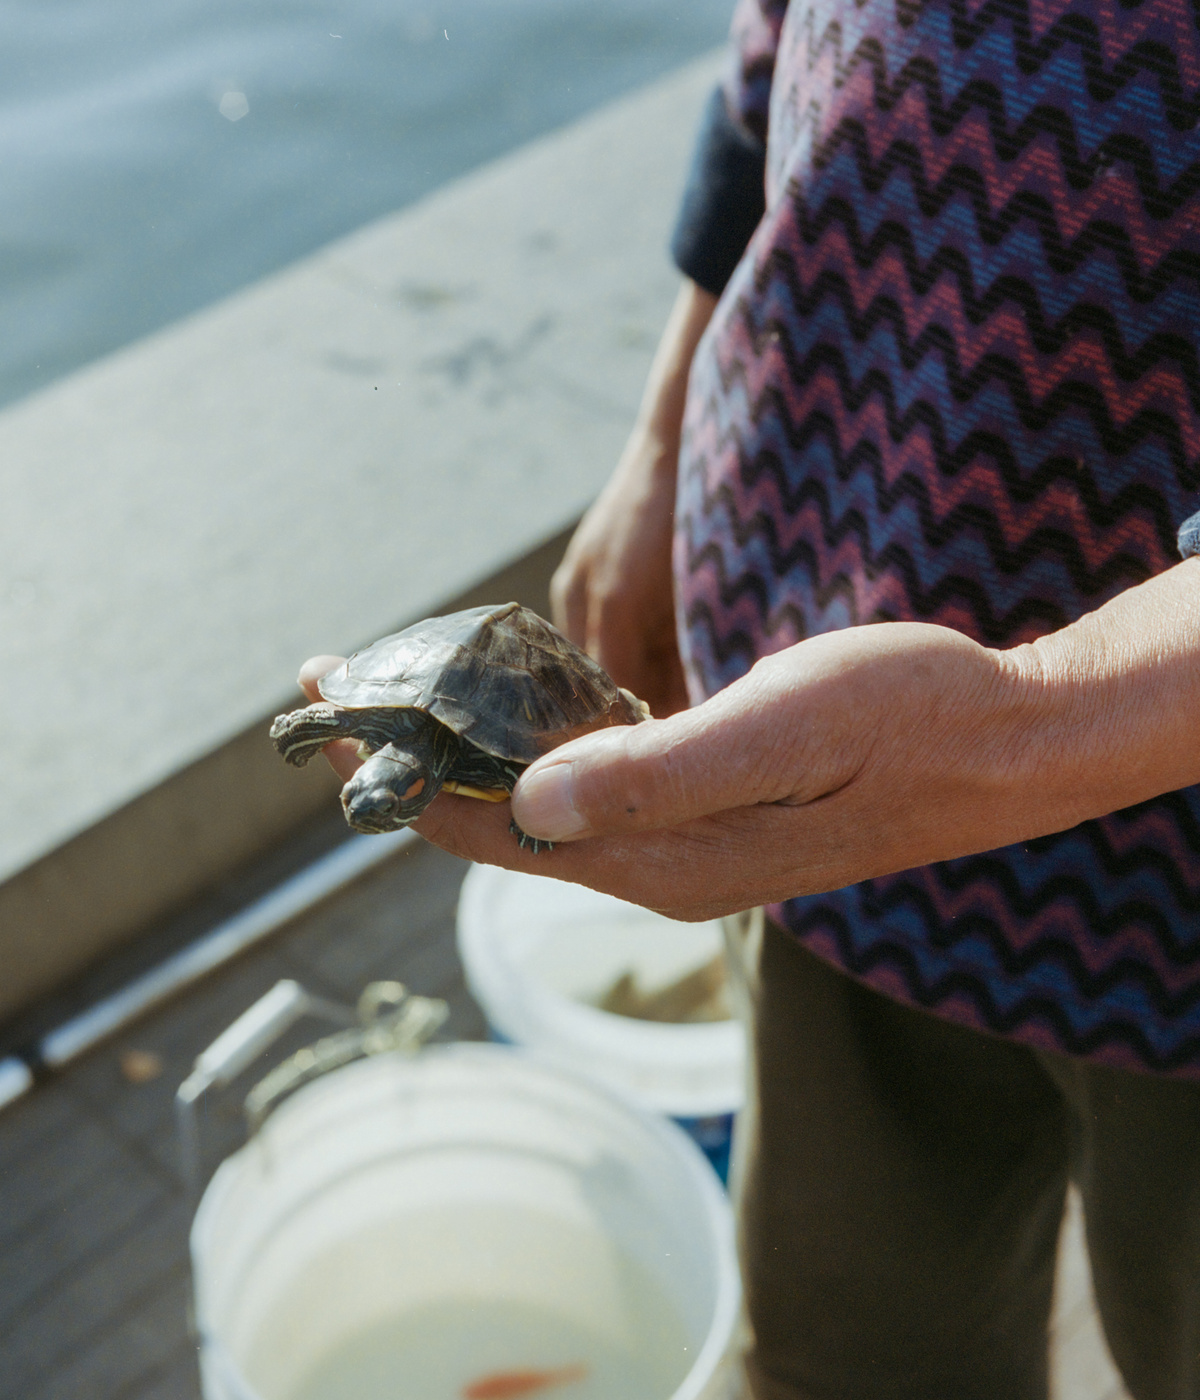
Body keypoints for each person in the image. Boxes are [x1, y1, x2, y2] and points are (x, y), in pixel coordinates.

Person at [302, 2, 1200, 1394]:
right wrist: (667, 430)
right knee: (851, 1355)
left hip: (1163, 896)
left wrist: (1033, 725)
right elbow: (784, 37)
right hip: (804, 750)